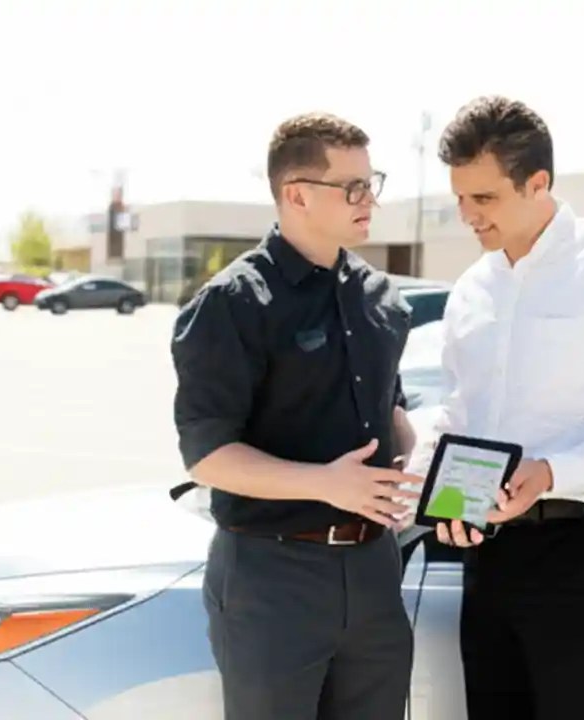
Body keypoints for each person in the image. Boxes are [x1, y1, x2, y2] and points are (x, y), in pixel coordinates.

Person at [403, 96, 584, 719]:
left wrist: (552, 473)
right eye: (460, 199)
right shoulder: (473, 288)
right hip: (488, 554)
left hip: (583, 555)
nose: (467, 217)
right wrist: (432, 486)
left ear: (538, 183)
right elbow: (459, 412)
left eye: (484, 199)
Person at [171, 112, 420, 720]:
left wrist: (420, 460)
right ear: (297, 194)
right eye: (353, 187)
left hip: (373, 572)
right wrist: (325, 484)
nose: (371, 201)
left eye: (373, 183)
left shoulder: (380, 298)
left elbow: (391, 411)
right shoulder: (232, 304)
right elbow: (207, 456)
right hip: (270, 577)